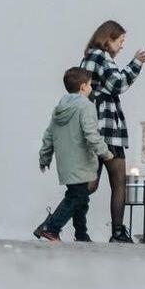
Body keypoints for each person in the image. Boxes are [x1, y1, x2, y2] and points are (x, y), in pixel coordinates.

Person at [80, 20, 145, 243]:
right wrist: (136, 63)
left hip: (95, 126)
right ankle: (118, 232)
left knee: (90, 183)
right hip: (107, 127)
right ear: (108, 39)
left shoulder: (89, 57)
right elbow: (118, 84)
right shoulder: (101, 57)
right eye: (120, 41)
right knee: (118, 179)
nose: (121, 47)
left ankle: (57, 223)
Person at [34, 67, 113, 242]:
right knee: (76, 197)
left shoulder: (59, 108)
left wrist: (44, 157)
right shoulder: (86, 106)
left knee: (81, 198)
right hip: (81, 161)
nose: (92, 88)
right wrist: (106, 153)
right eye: (90, 85)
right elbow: (92, 134)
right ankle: (50, 227)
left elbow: (49, 135)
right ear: (83, 87)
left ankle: (81, 234)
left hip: (66, 162)